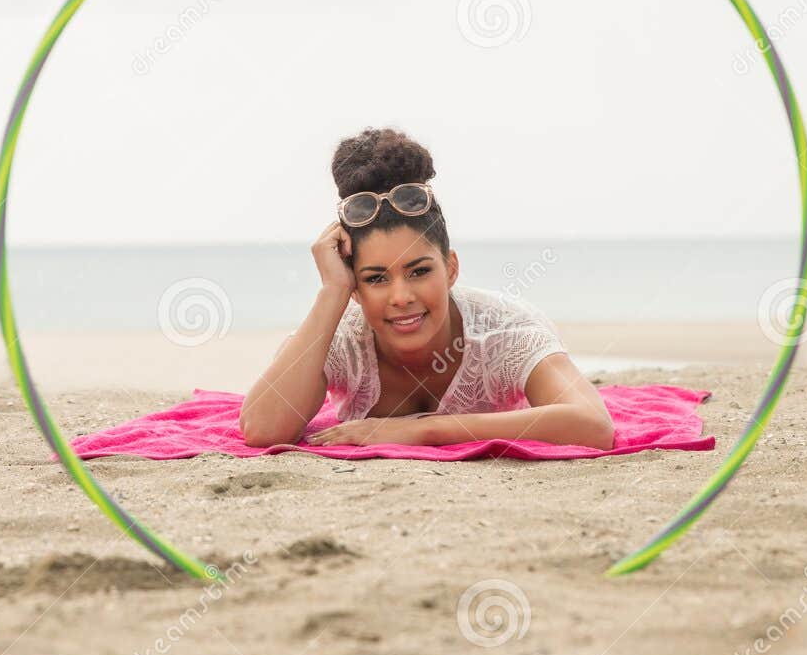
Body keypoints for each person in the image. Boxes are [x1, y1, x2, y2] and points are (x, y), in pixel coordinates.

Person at [239, 127, 615, 452]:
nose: (400, 296)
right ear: (356, 287)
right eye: (375, 278)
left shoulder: (505, 333)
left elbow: (593, 426)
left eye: (418, 271)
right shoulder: (342, 339)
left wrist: (421, 429)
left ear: (450, 268)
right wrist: (332, 291)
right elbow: (262, 429)